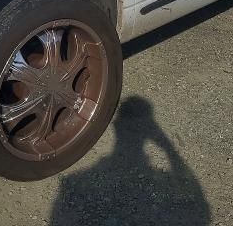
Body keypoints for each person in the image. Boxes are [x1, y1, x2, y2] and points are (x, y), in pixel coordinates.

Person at [50, 96, 211, 226]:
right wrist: (171, 153)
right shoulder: (76, 181)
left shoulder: (74, 182)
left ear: (116, 126)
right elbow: (202, 211)